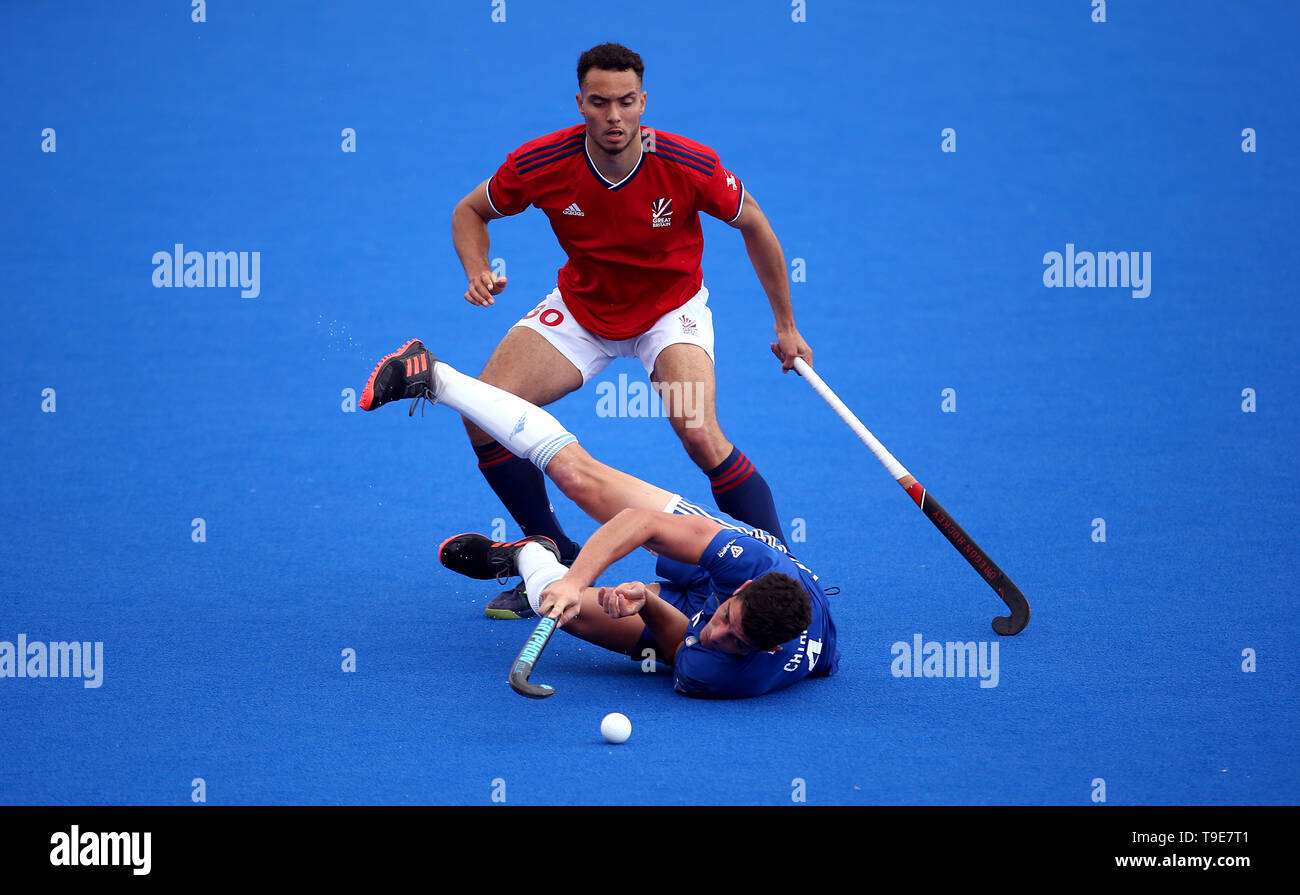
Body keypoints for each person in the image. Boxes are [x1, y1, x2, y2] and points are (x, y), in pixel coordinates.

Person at [436, 41, 813, 619]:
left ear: (643, 101)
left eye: (626, 102)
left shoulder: (689, 164)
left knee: (699, 432)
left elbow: (756, 225)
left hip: (669, 313)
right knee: (484, 414)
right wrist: (477, 269)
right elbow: (470, 211)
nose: (614, 117)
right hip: (583, 311)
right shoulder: (540, 162)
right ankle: (550, 547)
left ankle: (786, 575)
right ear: (580, 102)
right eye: (599, 102)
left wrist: (786, 325)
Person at [359, 339, 838, 699]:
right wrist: (581, 580)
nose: (719, 633)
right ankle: (433, 374)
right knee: (578, 478)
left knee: (558, 607)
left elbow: (679, 647)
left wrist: (646, 604)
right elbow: (639, 523)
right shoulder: (747, 564)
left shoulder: (727, 674)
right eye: (728, 621)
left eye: (736, 641)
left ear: (766, 651)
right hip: (728, 563)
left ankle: (531, 554)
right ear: (739, 593)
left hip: (705, 608)